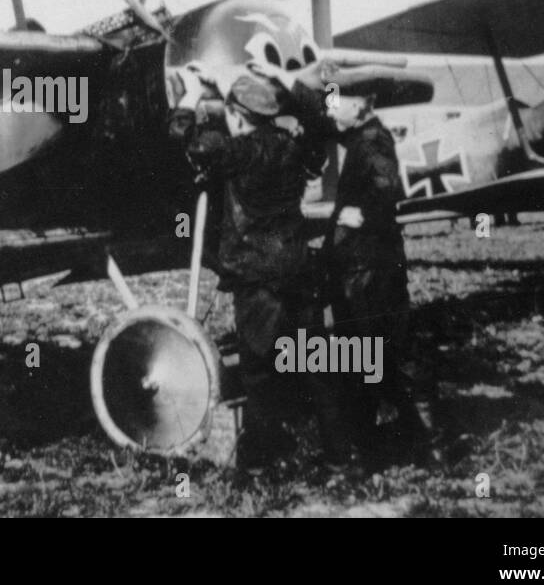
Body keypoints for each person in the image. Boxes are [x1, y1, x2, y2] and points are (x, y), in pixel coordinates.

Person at [168, 57, 348, 470]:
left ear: (236, 115)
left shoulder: (235, 153)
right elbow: (320, 123)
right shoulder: (295, 147)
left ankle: (261, 460)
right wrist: (277, 87)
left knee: (259, 370)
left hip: (256, 276)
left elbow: (183, 135)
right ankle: (340, 457)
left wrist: (194, 96)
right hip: (299, 267)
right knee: (317, 364)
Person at [324, 96, 430, 465]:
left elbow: (385, 186)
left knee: (368, 345)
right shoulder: (363, 135)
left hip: (367, 265)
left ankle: (384, 441)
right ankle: (395, 435)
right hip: (371, 261)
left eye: (337, 102)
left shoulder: (370, 141)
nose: (330, 108)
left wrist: (363, 214)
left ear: (361, 105)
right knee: (376, 347)